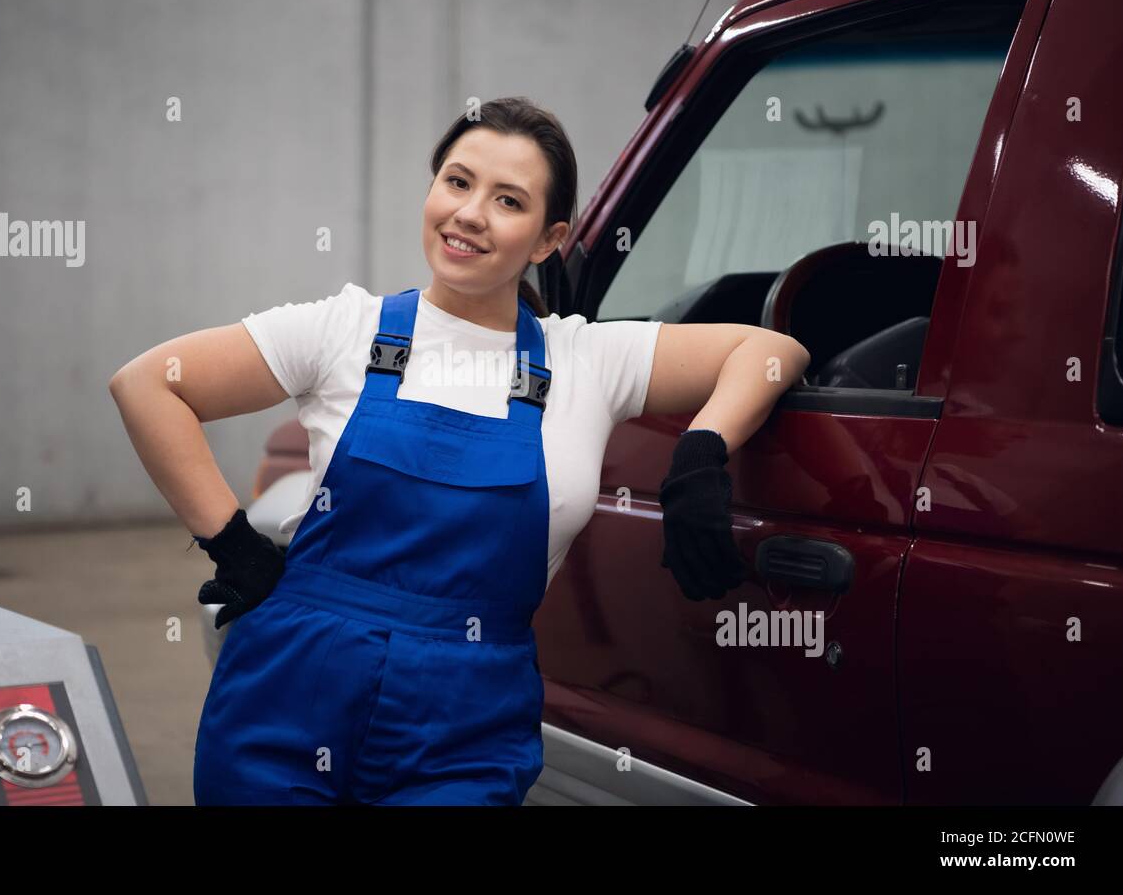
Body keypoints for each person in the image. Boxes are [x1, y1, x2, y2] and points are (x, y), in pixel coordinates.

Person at [108, 96, 810, 805]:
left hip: (464, 728)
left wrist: (701, 453)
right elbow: (147, 386)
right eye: (457, 181)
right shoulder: (341, 330)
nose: (470, 213)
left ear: (547, 239)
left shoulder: (587, 358)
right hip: (287, 697)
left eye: (509, 200)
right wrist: (235, 546)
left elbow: (773, 351)